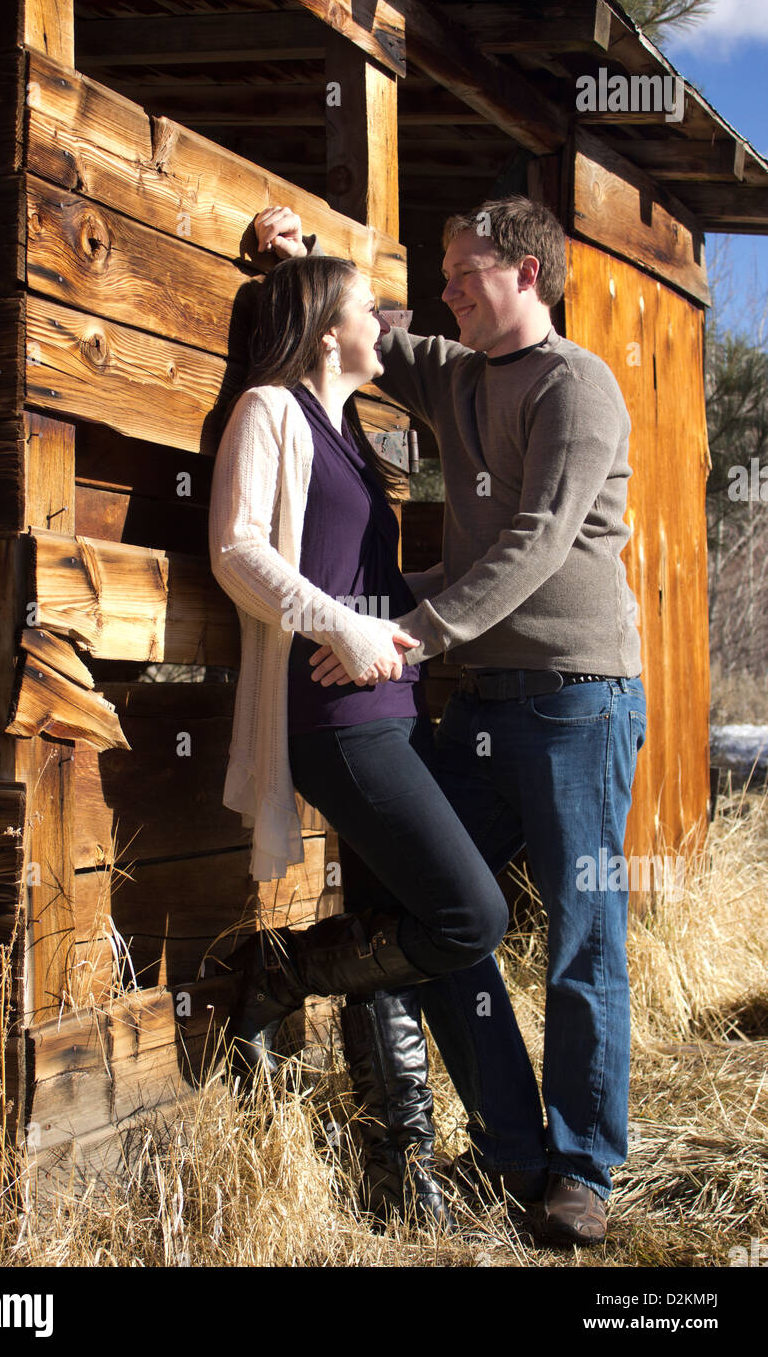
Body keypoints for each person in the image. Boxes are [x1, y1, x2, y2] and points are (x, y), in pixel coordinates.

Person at [245, 195, 647, 1247]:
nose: (445, 290)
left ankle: (581, 1169)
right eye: (442, 274)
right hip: (473, 707)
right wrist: (300, 258)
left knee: (579, 940)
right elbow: (363, 323)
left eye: (464, 272)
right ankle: (510, 1143)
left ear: (526, 273)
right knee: (451, 913)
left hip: (575, 699)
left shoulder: (577, 386)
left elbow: (535, 538)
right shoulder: (456, 371)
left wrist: (408, 633)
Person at [207, 253, 509, 1227]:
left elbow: (369, 585)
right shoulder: (269, 411)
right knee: (469, 915)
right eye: (366, 309)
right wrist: (335, 625)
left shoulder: (351, 434)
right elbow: (236, 548)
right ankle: (279, 968)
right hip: (332, 719)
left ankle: (399, 1183)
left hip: (393, 711)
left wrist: (419, 618)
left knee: (392, 933)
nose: (386, 320)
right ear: (326, 326)